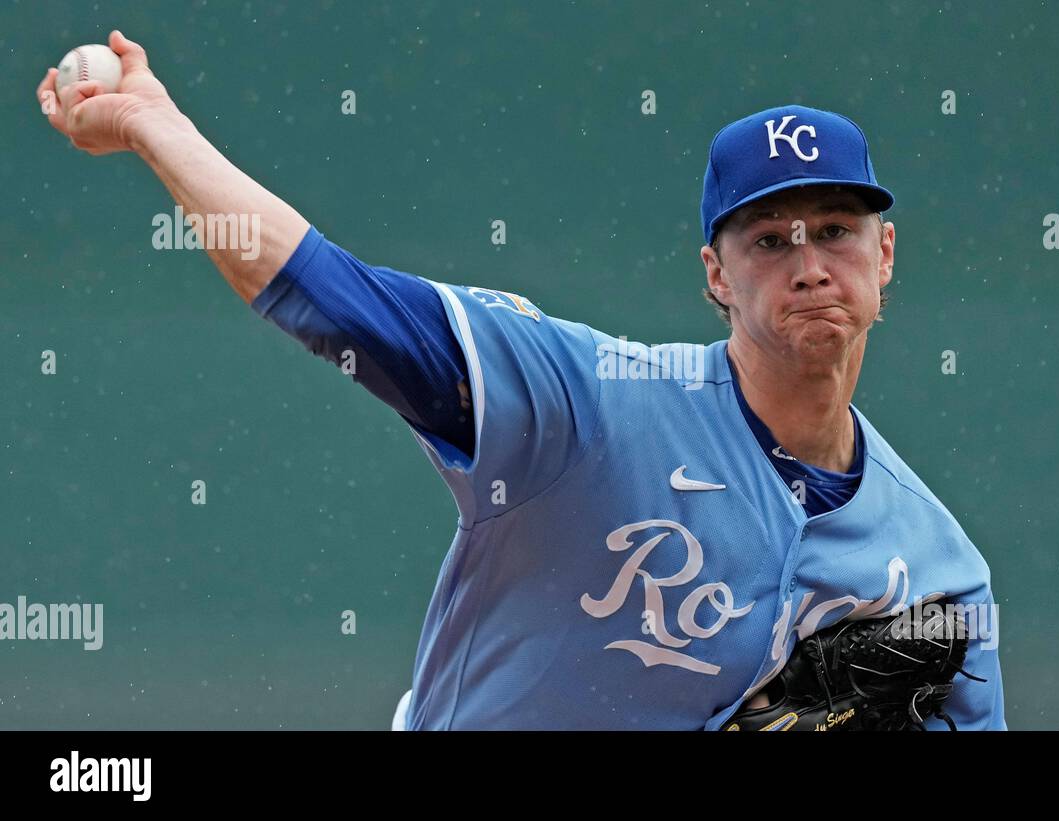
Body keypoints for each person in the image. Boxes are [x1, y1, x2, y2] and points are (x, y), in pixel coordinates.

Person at [38, 31, 1006, 730]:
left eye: (835, 230)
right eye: (767, 238)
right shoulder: (585, 401)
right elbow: (329, 296)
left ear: (885, 255)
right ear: (714, 274)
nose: (806, 263)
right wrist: (155, 128)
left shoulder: (939, 569)